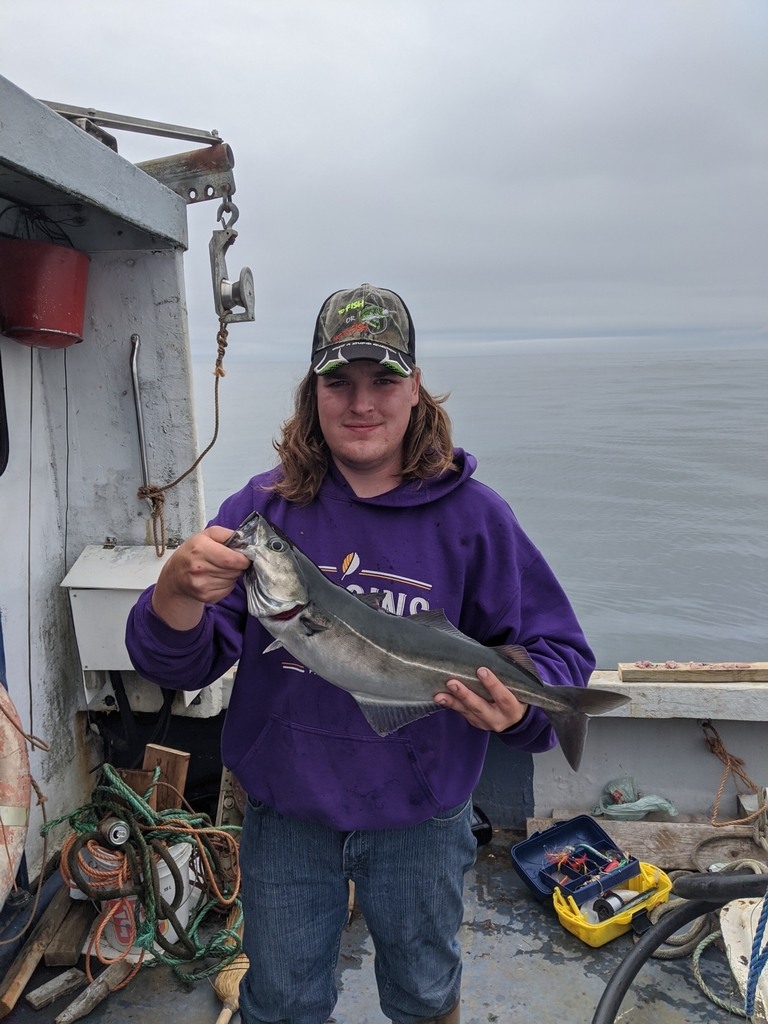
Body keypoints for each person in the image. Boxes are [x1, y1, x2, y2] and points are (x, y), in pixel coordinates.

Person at [126, 283, 595, 1024]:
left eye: (384, 379)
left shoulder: (474, 519)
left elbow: (558, 651)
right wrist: (175, 594)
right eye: (338, 382)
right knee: (280, 999)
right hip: (284, 819)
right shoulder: (262, 511)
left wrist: (524, 713)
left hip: (422, 819)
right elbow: (181, 665)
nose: (361, 402)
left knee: (424, 994)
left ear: (416, 391)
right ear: (313, 392)